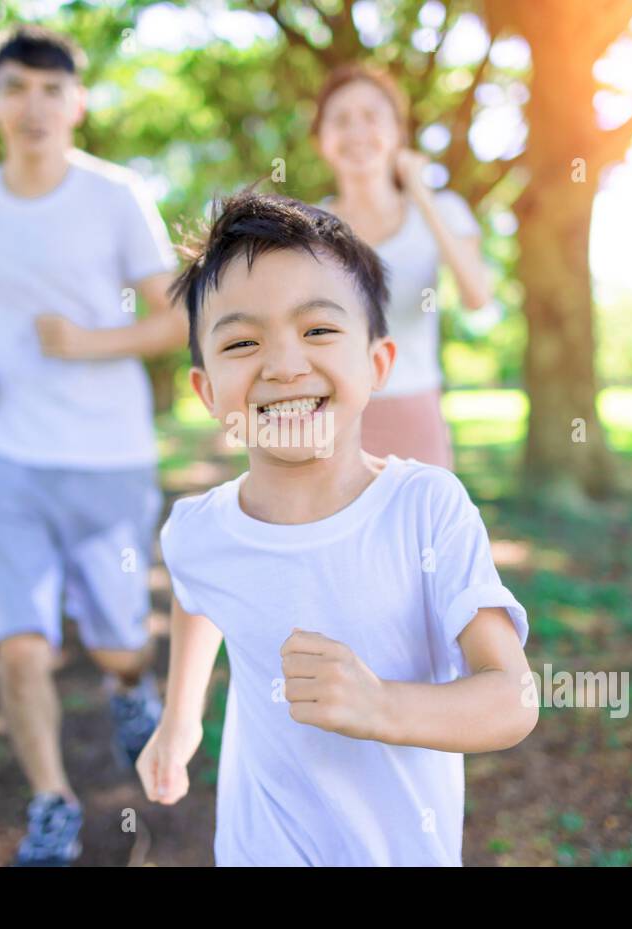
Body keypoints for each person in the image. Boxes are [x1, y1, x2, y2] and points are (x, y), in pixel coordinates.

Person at [137, 191, 535, 865]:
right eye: (241, 341)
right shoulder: (199, 528)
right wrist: (179, 718)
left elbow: (514, 697)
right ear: (207, 392)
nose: (285, 364)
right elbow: (196, 589)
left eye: (318, 330)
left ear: (378, 364)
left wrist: (382, 706)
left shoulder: (424, 509)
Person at [0, 25, 187, 867]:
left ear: (78, 104)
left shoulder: (116, 196)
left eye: (51, 90)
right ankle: (52, 803)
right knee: (20, 643)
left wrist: (88, 342)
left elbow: (177, 318)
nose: (34, 106)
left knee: (117, 639)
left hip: (112, 458)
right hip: (12, 458)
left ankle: (128, 684)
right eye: (16, 88)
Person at [312, 64, 495, 470]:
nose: (357, 132)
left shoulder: (443, 211)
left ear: (398, 132)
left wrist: (421, 194)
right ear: (321, 140)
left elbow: (478, 298)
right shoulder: (309, 226)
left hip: (416, 411)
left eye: (372, 117)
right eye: (341, 120)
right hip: (331, 418)